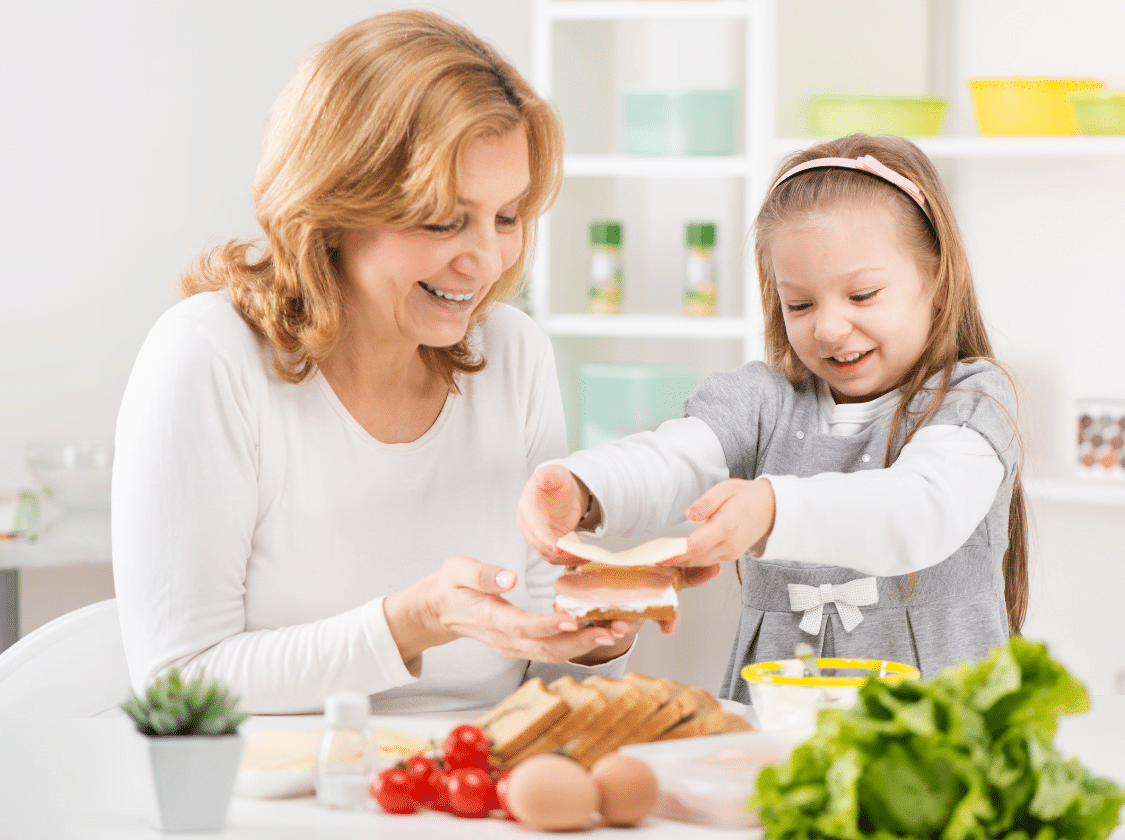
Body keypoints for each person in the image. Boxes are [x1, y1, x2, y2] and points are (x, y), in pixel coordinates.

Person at [112, 10, 643, 715]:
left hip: (469, 776)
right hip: (274, 780)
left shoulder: (513, 355)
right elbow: (177, 683)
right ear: (333, 206)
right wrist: (413, 621)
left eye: (506, 216)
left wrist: (594, 638)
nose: (487, 261)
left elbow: (540, 669)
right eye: (443, 219)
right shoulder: (209, 357)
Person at [519, 134, 1029, 701]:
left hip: (933, 735)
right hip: (775, 730)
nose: (829, 328)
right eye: (800, 304)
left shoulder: (970, 404)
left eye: (862, 295)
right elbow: (676, 457)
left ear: (937, 282)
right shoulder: (763, 400)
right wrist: (585, 488)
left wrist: (772, 509)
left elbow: (920, 510)